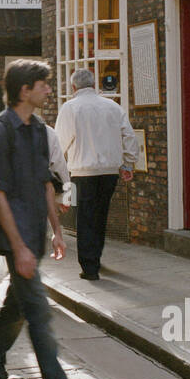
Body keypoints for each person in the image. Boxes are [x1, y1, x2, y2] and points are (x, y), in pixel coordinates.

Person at [0, 59, 94, 379]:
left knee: (17, 308)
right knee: (39, 313)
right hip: (15, 239)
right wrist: (20, 247)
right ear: (25, 90)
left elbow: (46, 183)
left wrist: (56, 230)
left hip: (34, 233)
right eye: (42, 84)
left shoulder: (39, 130)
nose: (48, 90)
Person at [53, 68, 139, 280]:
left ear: (74, 87)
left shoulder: (70, 108)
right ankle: (96, 258)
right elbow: (128, 136)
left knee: (85, 217)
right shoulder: (113, 106)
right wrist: (128, 164)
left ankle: (89, 267)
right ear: (93, 85)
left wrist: (56, 172)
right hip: (110, 171)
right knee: (100, 216)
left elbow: (59, 143)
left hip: (82, 171)